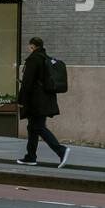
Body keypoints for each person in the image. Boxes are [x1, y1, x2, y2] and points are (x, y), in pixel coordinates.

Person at [17, 36, 70, 168]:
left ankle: (61, 150)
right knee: (33, 128)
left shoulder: (34, 59)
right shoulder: (46, 59)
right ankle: (30, 157)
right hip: (46, 100)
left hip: (36, 101)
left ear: (32, 46)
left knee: (38, 127)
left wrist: (20, 100)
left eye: (29, 47)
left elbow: (27, 83)